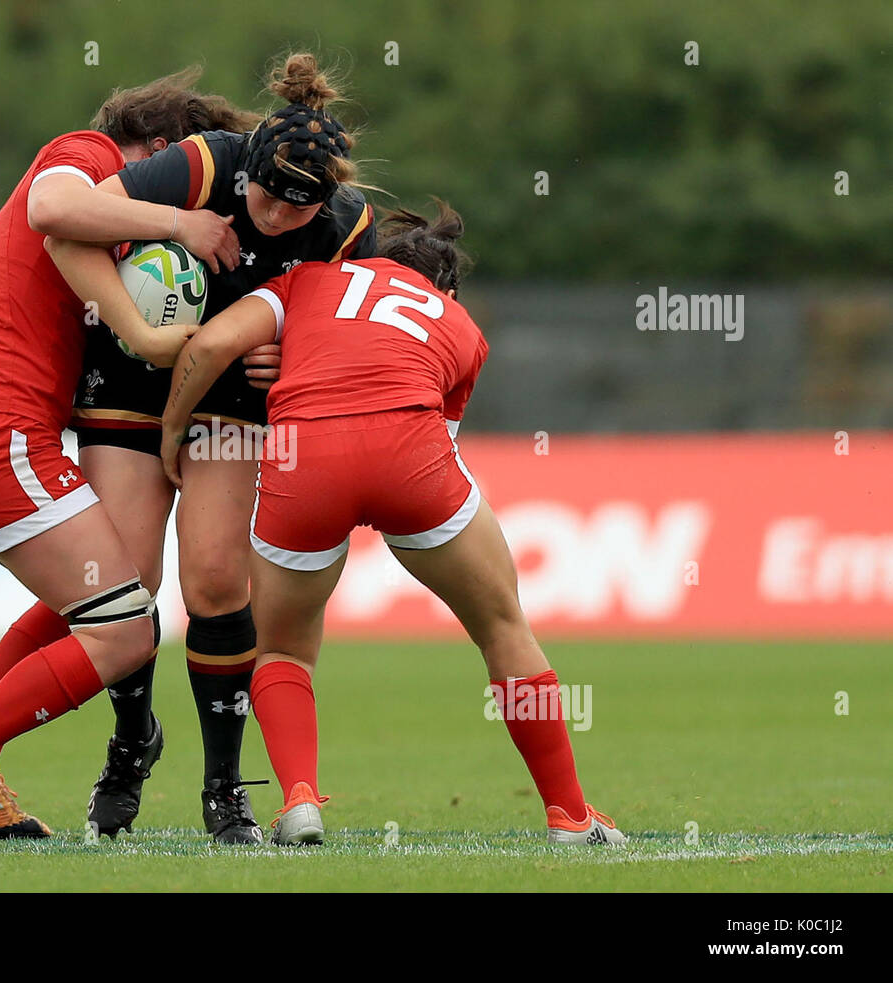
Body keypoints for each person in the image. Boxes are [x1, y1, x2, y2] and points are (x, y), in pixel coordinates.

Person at [157, 201, 627, 847]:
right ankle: (570, 815)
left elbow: (209, 344)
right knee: (503, 629)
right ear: (448, 287)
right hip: (410, 455)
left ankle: (299, 800)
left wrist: (174, 428)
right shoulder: (460, 323)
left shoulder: (312, 278)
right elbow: (439, 434)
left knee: (284, 649)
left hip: (304, 460)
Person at [0, 71, 257, 844]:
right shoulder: (83, 151)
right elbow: (50, 208)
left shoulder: (103, 205)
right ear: (158, 147)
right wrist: (181, 225)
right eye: (178, 174)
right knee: (126, 629)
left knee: (96, 600)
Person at [45, 52, 376, 844]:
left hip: (230, 402)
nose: (275, 217)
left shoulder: (346, 227)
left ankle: (225, 789)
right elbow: (62, 220)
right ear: (251, 162)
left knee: (218, 579)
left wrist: (288, 351)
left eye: (298, 212)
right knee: (126, 588)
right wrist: (176, 224)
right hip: (133, 375)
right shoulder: (203, 163)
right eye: (264, 197)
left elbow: (348, 338)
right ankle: (131, 746)